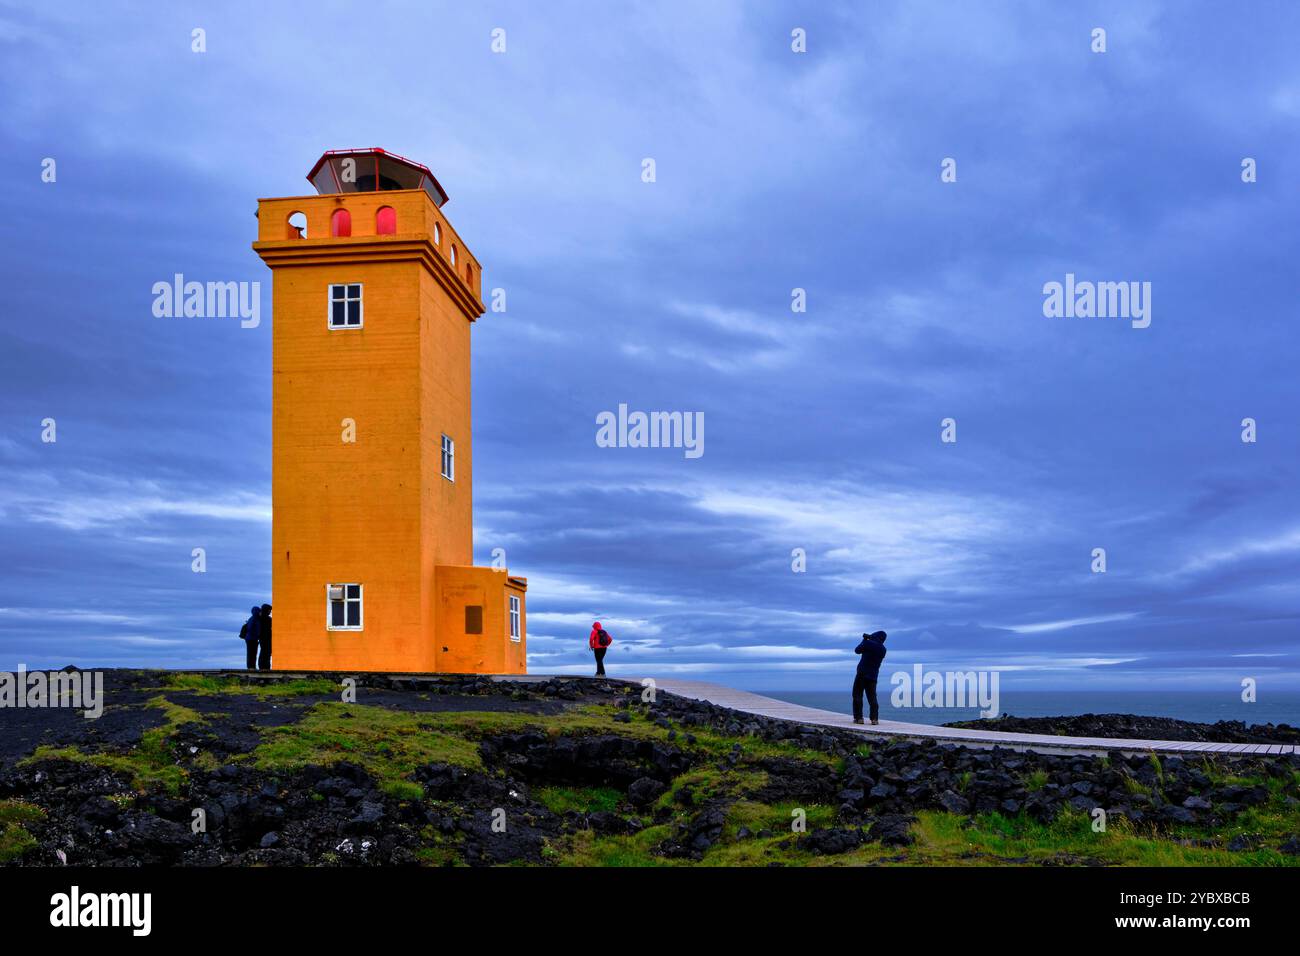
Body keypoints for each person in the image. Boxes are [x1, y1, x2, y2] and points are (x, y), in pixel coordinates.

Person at [852, 630, 887, 725]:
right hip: (873, 676)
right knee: (872, 698)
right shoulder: (883, 649)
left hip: (862, 674)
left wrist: (864, 640)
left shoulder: (868, 643)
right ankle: (874, 719)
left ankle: (859, 718)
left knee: (857, 695)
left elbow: (857, 650)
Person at [240, 605, 261, 670]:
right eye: (259, 611)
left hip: (250, 638)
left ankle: (251, 666)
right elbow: (252, 629)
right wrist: (257, 635)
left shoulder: (252, 618)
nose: (260, 613)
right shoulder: (255, 619)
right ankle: (251, 666)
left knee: (252, 653)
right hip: (252, 639)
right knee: (252, 653)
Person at [257, 603, 273, 670]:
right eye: (270, 610)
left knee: (263, 652)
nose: (270, 612)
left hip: (262, 638)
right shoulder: (268, 619)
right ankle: (266, 667)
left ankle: (262, 666)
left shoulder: (259, 618)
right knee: (266, 653)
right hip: (267, 638)